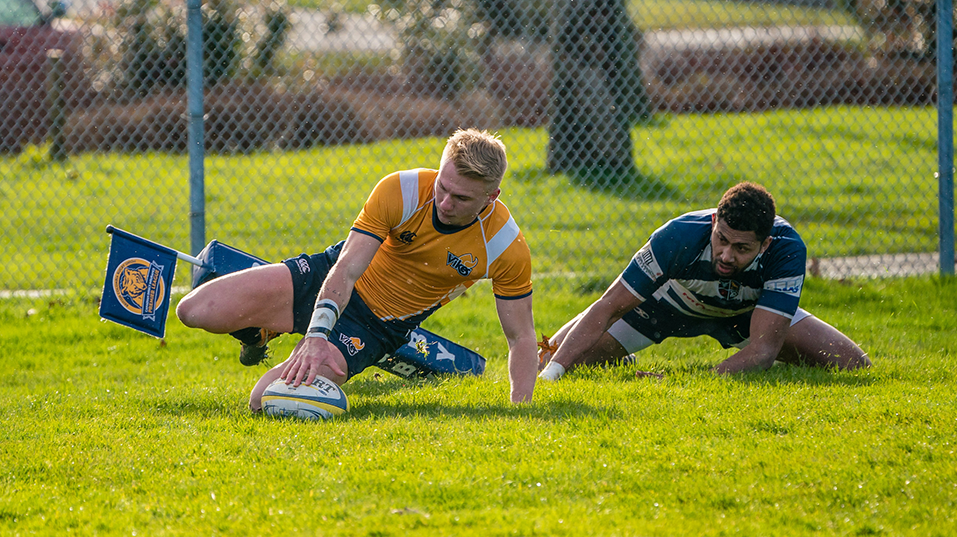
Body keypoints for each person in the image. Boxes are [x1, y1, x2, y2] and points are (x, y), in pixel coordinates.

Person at [176, 129, 539, 407]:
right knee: (193, 310)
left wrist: (521, 410)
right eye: (443, 187)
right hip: (327, 276)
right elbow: (346, 269)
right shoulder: (403, 189)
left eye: (461, 198)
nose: (444, 203)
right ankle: (262, 330)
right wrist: (317, 336)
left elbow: (521, 337)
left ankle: (281, 335)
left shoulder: (504, 246)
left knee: (264, 399)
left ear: (492, 197)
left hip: (375, 326)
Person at [538, 182, 870, 380]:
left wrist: (678, 381)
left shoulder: (786, 250)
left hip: (744, 314)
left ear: (765, 244)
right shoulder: (677, 236)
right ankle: (620, 357)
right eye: (721, 239)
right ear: (713, 222)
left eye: (742, 248)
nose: (727, 255)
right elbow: (608, 306)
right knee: (549, 359)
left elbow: (763, 350)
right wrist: (552, 374)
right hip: (666, 306)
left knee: (853, 365)